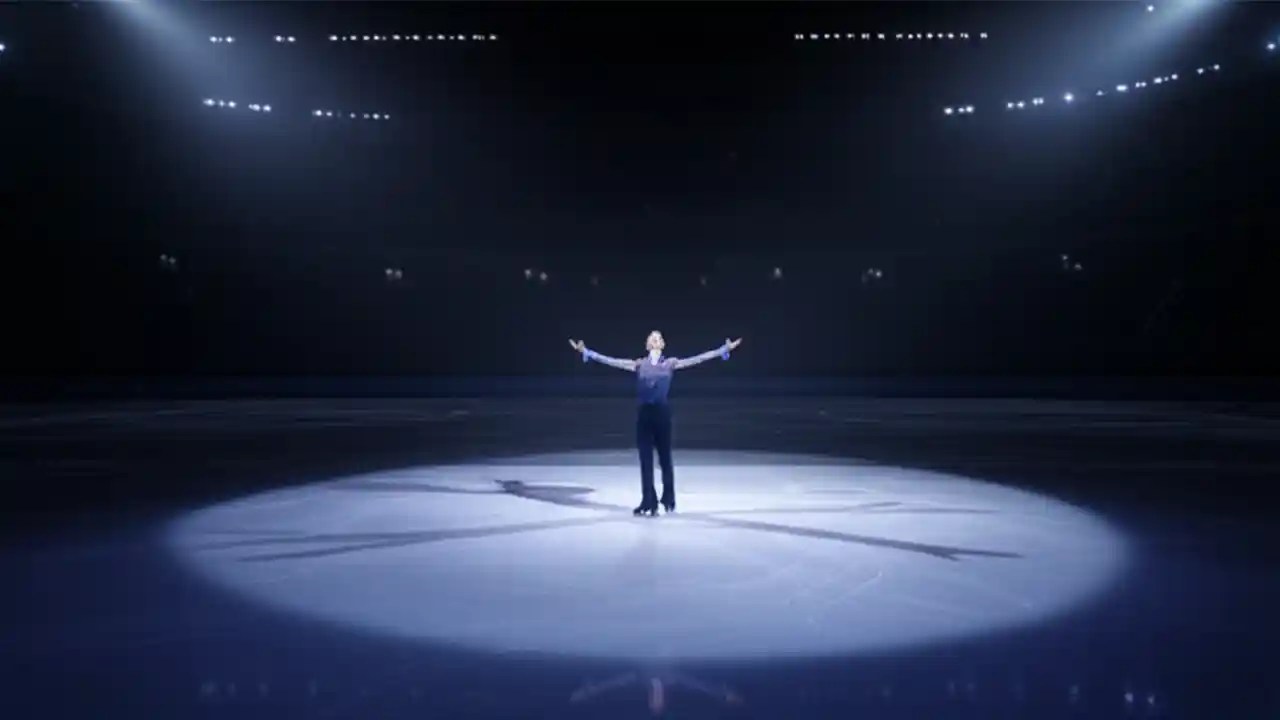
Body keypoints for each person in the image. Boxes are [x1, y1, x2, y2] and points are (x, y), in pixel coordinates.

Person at [569, 331, 742, 516]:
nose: (655, 339)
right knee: (646, 461)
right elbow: (613, 361)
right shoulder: (639, 364)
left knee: (665, 459)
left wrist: (723, 350)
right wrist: (586, 352)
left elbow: (697, 359)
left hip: (662, 415)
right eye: (652, 337)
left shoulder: (670, 363)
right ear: (647, 344)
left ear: (663, 344)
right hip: (644, 416)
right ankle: (648, 501)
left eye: (658, 337)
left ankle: (668, 499)